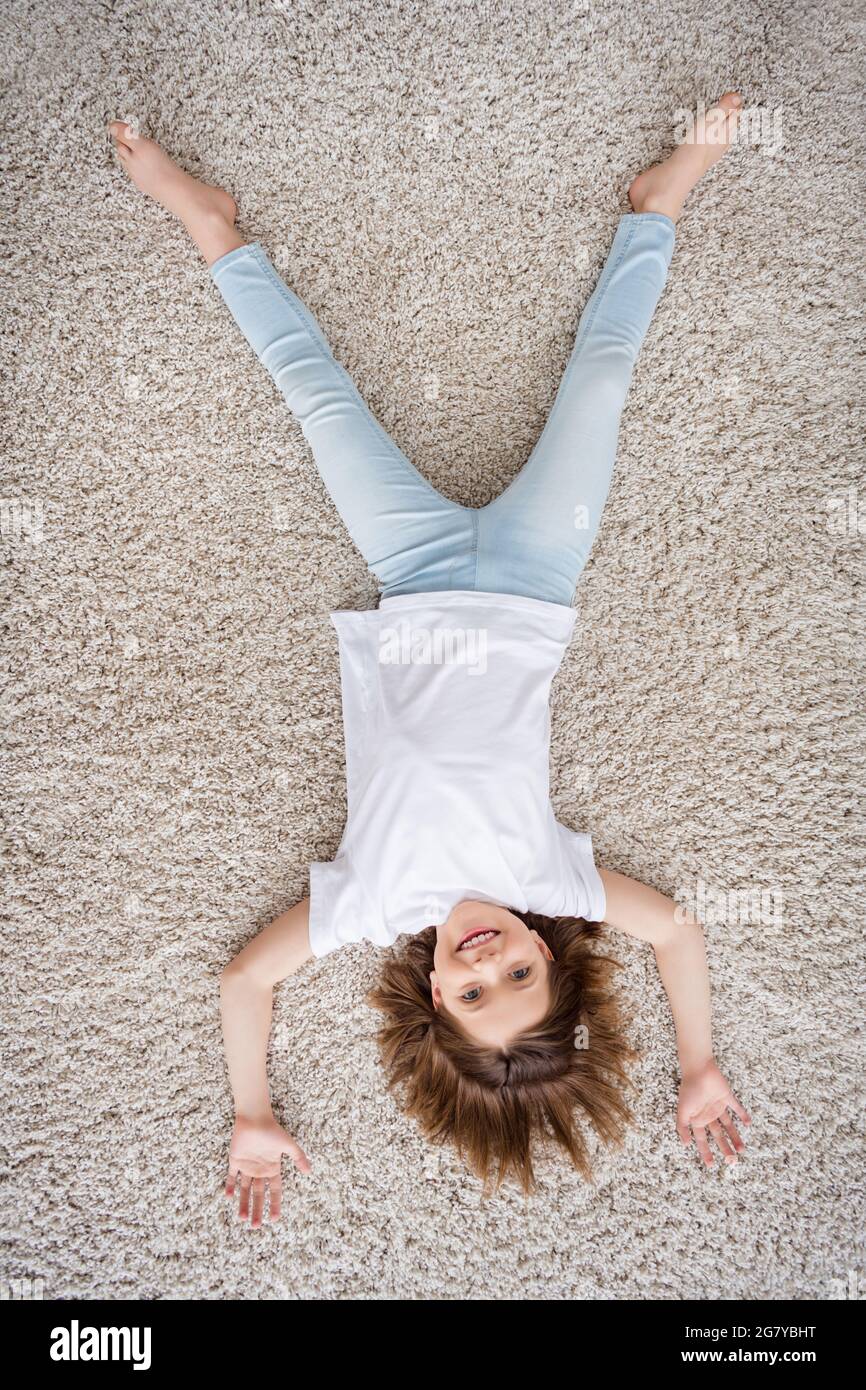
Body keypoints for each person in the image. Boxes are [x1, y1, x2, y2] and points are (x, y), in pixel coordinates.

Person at [110, 91, 751, 1226]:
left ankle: (210, 221)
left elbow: (246, 977)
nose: (487, 960)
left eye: (471, 990)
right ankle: (656, 205)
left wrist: (252, 1109)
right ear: (551, 954)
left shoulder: (372, 902)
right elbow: (678, 930)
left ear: (432, 997)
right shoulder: (549, 882)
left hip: (409, 573)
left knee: (313, 391)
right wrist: (697, 1062)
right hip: (536, 579)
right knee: (603, 377)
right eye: (519, 976)